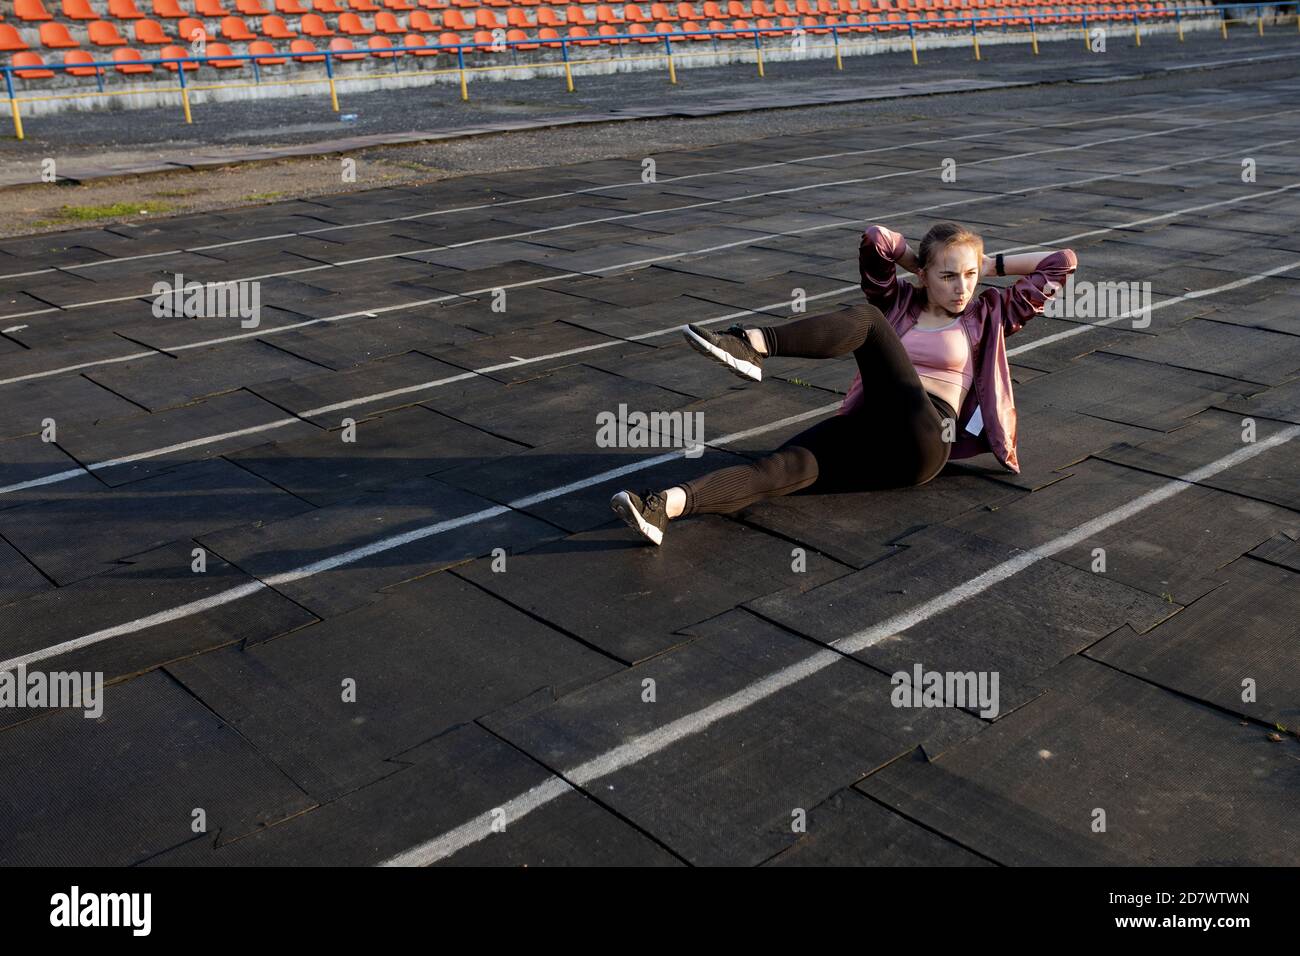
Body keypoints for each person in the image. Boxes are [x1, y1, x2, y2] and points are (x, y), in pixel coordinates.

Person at [609, 221, 1078, 546]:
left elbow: (1061, 263)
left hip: (927, 434)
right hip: (874, 437)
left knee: (871, 323)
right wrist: (917, 261)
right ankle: (664, 508)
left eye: (970, 276)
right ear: (923, 273)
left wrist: (984, 261)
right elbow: (876, 241)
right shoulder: (899, 300)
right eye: (949, 275)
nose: (962, 287)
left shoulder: (989, 312)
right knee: (779, 469)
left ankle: (753, 344)